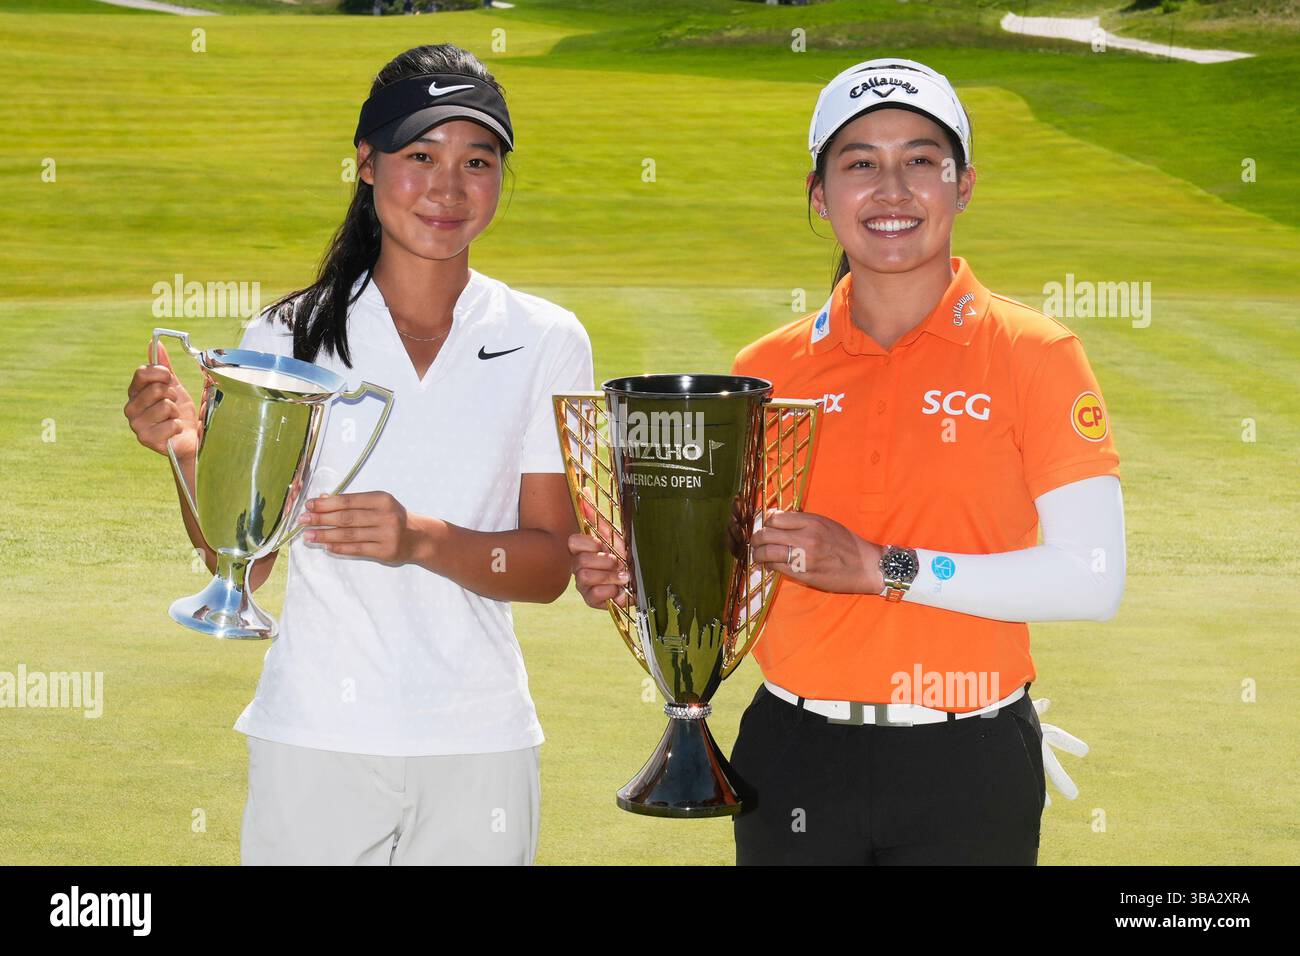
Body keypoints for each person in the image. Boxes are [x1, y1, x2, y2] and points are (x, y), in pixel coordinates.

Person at [569, 57, 1124, 865]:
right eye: (860, 164)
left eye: (921, 160)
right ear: (820, 195)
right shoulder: (767, 370)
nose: (892, 190)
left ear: (964, 185)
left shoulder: (1036, 354)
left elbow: (1092, 578)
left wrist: (880, 567)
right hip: (794, 755)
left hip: (969, 761)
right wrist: (645, 577)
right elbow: (740, 575)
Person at [125, 43, 593, 865]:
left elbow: (548, 565)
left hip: (478, 741)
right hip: (314, 736)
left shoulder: (546, 339)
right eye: (421, 156)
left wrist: (422, 540)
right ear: (367, 164)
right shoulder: (286, 335)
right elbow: (242, 563)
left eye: (477, 161)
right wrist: (187, 451)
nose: (448, 188)